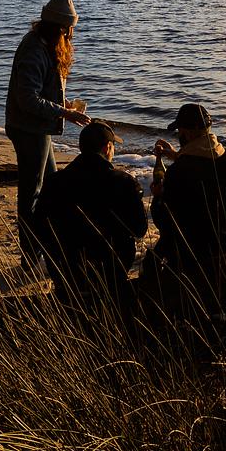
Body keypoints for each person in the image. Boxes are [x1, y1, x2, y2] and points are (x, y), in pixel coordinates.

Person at [33, 119, 147, 317]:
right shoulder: (123, 182)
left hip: (65, 268)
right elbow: (139, 230)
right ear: (107, 147)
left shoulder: (54, 181)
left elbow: (38, 225)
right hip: (110, 269)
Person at [5, 0, 91, 250]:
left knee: (51, 186)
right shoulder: (34, 49)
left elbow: (40, 90)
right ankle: (30, 253)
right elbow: (27, 99)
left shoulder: (44, 44)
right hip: (28, 128)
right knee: (32, 193)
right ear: (60, 28)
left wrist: (63, 104)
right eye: (69, 30)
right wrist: (65, 113)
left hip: (36, 127)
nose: (70, 36)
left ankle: (47, 244)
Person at [145, 103, 226, 315]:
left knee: (168, 212)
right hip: (223, 243)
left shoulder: (178, 171)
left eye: (180, 131)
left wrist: (159, 197)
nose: (179, 135)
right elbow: (205, 167)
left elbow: (163, 221)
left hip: (191, 251)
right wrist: (177, 155)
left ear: (188, 133)